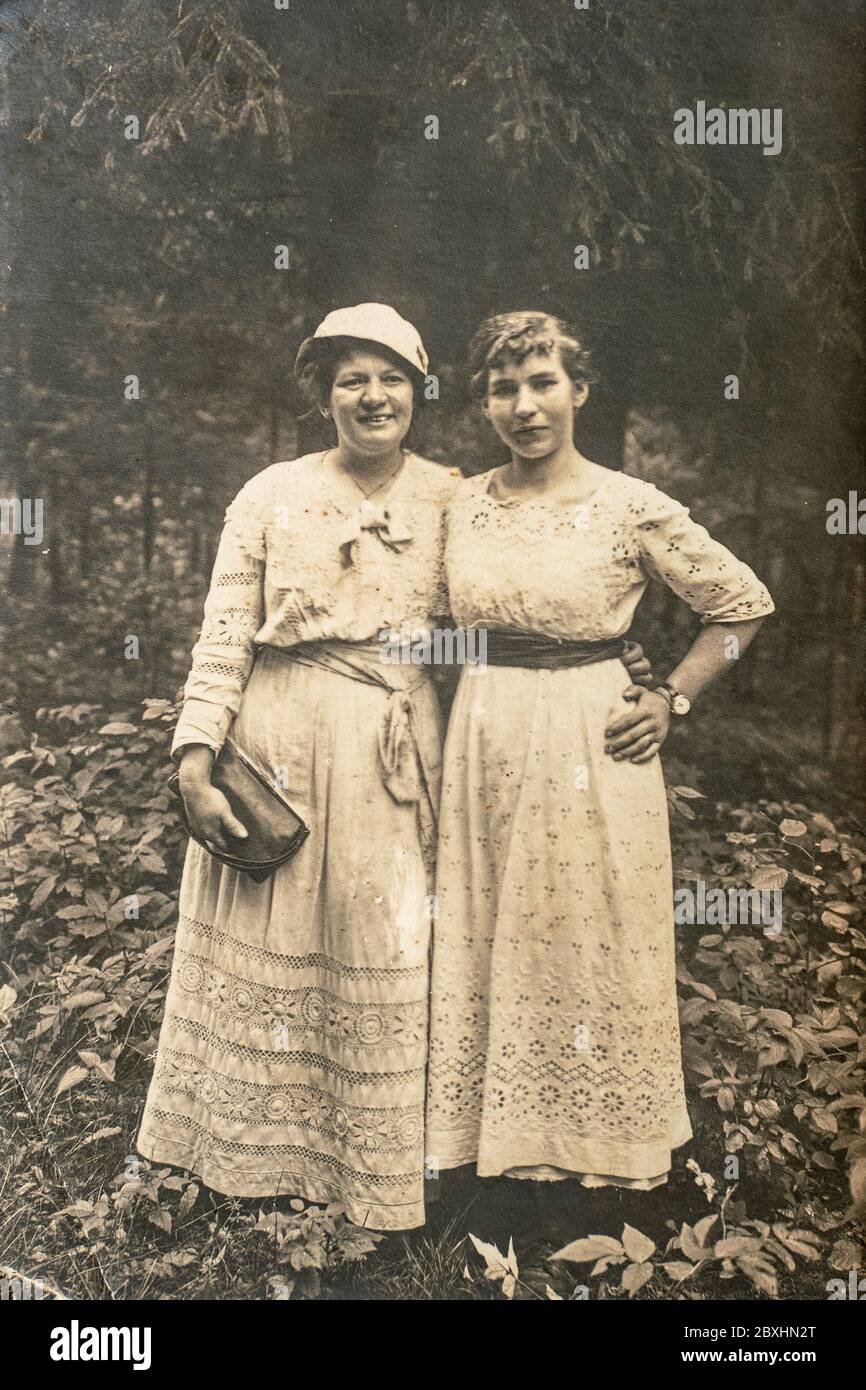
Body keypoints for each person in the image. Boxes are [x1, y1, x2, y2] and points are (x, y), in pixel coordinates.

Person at [136, 303, 651, 1230]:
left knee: (386, 947)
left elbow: (507, 609)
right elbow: (224, 634)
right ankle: (246, 1167)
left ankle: (374, 1186)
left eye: (392, 379)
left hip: (397, 747)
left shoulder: (456, 498)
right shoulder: (270, 492)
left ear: (419, 391)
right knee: (270, 941)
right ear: (323, 395)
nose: (373, 397)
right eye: (351, 380)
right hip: (279, 743)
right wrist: (196, 758)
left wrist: (611, 658)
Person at [425, 311, 775, 1196]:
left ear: (579, 390)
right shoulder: (458, 504)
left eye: (543, 383)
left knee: (585, 933)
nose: (525, 407)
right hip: (482, 735)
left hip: (593, 737)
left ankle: (600, 1165)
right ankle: (488, 1162)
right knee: (485, 930)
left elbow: (742, 606)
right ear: (484, 404)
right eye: (504, 389)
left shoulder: (627, 504)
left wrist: (672, 696)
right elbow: (431, 626)